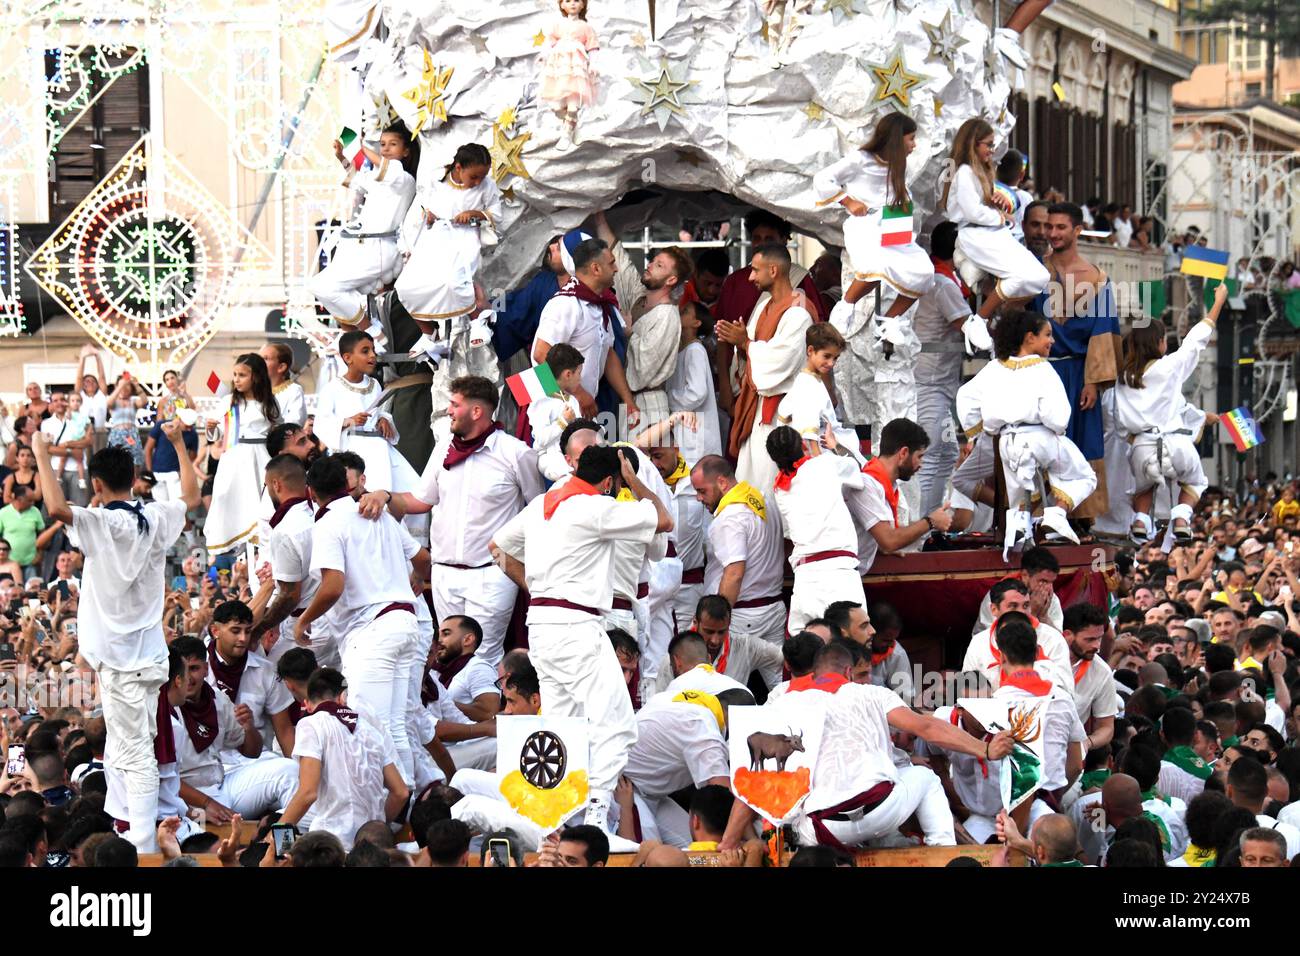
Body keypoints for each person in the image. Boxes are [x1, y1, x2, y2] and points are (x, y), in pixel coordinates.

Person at [489, 444, 672, 833]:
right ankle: (594, 819)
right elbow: (664, 520)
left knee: (563, 725)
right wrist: (635, 479)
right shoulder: (596, 506)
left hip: (541, 622)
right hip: (575, 626)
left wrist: (536, 588)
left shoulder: (542, 502)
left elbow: (498, 546)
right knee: (619, 726)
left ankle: (554, 823)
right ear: (608, 481)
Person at [33, 422, 197, 852]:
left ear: (99, 484)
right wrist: (179, 444)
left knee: (137, 755)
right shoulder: (155, 514)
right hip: (138, 658)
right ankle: (132, 833)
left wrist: (39, 449)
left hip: (126, 662)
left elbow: (54, 506)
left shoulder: (103, 522)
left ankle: (141, 847)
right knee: (124, 753)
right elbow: (192, 497)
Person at [719, 643, 1014, 851]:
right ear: (848, 672)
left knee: (788, 809)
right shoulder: (872, 694)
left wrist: (729, 841)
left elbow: (754, 785)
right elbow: (927, 728)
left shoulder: (785, 701)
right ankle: (942, 853)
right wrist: (984, 749)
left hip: (824, 828)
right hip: (882, 811)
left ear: (814, 674)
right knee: (925, 779)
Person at [365, 376, 543, 665]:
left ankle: (486, 710)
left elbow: (537, 508)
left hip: (492, 574)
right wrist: (384, 495)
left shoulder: (515, 453)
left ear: (476, 412)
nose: (448, 410)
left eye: (454, 404)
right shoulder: (443, 447)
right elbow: (421, 500)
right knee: (448, 656)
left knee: (482, 657)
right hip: (445, 573)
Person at [297, 454, 433, 786]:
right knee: (393, 726)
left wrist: (304, 620)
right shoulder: (380, 515)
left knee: (372, 729)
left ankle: (399, 810)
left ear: (311, 492)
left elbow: (333, 585)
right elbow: (424, 560)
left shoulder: (329, 523)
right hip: (404, 622)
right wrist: (415, 579)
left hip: (373, 632)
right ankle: (409, 807)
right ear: (347, 485)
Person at [953, 310, 1096, 548]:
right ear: (1030, 338)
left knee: (1018, 492)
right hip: (1039, 438)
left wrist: (976, 434)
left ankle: (1020, 525)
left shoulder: (993, 369)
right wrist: (1055, 431)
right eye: (1047, 335)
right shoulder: (1043, 369)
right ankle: (1056, 514)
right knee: (1085, 476)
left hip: (1004, 441)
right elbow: (1058, 418)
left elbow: (965, 398)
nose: (1052, 341)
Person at [1117, 283, 1227, 543]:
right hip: (1177, 445)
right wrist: (1218, 302)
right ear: (1160, 343)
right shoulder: (1170, 368)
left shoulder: (1121, 379)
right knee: (1195, 481)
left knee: (1144, 486)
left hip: (1142, 447)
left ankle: (1141, 522)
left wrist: (1204, 417)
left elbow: (1120, 421)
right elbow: (1195, 340)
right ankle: (1181, 518)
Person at [1035, 202, 1124, 521]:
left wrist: (1093, 382)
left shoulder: (1098, 278)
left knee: (1081, 443)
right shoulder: (1035, 271)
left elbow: (1103, 332)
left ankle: (1080, 517)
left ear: (1076, 230)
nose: (1053, 233)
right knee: (1040, 440)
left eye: (1060, 227)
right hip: (1040, 371)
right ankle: (1037, 515)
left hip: (1078, 374)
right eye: (1049, 227)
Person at [814, 113, 934, 325]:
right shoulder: (861, 159)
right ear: (897, 138)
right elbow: (824, 179)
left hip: (893, 223)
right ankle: (846, 306)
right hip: (866, 226)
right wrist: (847, 200)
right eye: (911, 138)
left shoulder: (897, 164)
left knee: (923, 271)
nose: (914, 145)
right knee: (875, 264)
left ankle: (889, 322)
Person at [167, 636, 299, 823]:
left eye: (194, 668)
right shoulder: (164, 707)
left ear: (206, 669)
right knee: (202, 830)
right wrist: (207, 803)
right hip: (184, 800)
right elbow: (162, 779)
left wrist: (249, 728)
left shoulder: (218, 700)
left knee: (290, 770)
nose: (188, 678)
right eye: (183, 671)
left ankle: (284, 846)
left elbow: (251, 752)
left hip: (222, 787)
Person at [277, 667, 409, 852]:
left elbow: (308, 793)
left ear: (307, 704)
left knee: (277, 835)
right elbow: (401, 792)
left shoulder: (310, 724)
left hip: (330, 847)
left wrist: (277, 841)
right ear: (342, 698)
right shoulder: (370, 730)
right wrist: (375, 827)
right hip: (371, 848)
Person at [717, 242, 815, 493]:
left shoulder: (799, 313)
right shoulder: (763, 307)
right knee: (752, 482)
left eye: (755, 270)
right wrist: (738, 342)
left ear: (773, 270)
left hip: (781, 414)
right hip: (757, 410)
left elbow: (778, 364)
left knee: (773, 487)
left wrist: (745, 343)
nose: (750, 277)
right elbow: (749, 355)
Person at [941, 118, 1049, 321]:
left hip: (995, 234)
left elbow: (982, 208)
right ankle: (980, 320)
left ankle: (999, 314)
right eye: (989, 144)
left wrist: (995, 203)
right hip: (977, 235)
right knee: (1018, 277)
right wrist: (999, 217)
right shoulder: (964, 172)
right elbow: (972, 212)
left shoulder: (981, 173)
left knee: (1040, 277)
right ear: (974, 143)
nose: (992, 150)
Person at [310, 124, 418, 327]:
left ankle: (369, 330)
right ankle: (362, 334)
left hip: (377, 248)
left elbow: (388, 169)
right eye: (382, 144)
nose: (385, 149)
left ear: (406, 152)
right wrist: (341, 156)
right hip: (360, 246)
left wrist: (362, 147)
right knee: (320, 287)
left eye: (392, 144)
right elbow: (356, 179)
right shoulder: (381, 180)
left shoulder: (405, 180)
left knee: (324, 287)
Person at [595, 211, 692, 434]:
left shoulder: (667, 316)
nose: (649, 265)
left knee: (646, 465)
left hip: (648, 404)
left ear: (671, 280)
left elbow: (646, 365)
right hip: (626, 402)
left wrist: (628, 333)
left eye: (659, 265)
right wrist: (599, 216)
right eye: (653, 261)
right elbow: (616, 257)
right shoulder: (639, 296)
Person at [913, 221, 984, 515]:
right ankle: (923, 527)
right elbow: (970, 328)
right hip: (930, 383)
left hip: (942, 383)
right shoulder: (941, 284)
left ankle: (932, 521)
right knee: (930, 455)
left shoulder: (943, 280)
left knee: (946, 453)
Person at [768, 425, 867, 633]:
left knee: (806, 656)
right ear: (803, 445)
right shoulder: (826, 464)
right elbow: (857, 469)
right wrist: (834, 445)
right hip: (839, 574)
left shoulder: (779, 490)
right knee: (853, 648)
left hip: (805, 578)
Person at [689, 455, 786, 663]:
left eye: (701, 491)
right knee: (781, 684)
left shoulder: (729, 517)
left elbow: (734, 573)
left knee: (723, 687)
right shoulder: (763, 501)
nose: (699, 498)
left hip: (741, 617)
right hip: (774, 610)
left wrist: (718, 623)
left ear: (722, 482)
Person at [396, 143, 501, 335]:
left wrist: (475, 213)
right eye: (474, 177)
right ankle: (429, 334)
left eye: (482, 177)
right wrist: (426, 216)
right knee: (405, 286)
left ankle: (478, 320)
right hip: (435, 237)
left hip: (465, 238)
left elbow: (497, 213)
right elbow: (421, 206)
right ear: (458, 168)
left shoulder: (487, 186)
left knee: (453, 282)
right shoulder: (436, 179)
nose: (478, 182)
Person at [532, 235, 638, 422]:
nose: (616, 269)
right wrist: (579, 393)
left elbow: (609, 353)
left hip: (580, 409)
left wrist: (628, 400)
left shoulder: (600, 305)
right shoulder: (564, 303)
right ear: (596, 268)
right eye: (612, 263)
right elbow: (540, 355)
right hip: (554, 410)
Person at [313, 330, 420, 497]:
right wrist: (348, 421)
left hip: (380, 451)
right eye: (365, 351)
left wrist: (383, 420)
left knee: (406, 488)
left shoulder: (375, 385)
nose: (372, 356)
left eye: (373, 350)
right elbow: (320, 424)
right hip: (352, 450)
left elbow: (379, 411)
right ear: (347, 358)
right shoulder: (333, 388)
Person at [253, 455, 334, 667]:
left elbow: (290, 596)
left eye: (266, 486)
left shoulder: (286, 529)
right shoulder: (322, 511)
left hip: (307, 628)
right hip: (337, 621)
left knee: (273, 682)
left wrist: (259, 629)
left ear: (276, 484)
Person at [847, 417, 951, 575]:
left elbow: (884, 541)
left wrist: (880, 547)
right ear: (903, 453)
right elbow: (889, 540)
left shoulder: (884, 485)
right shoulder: (865, 485)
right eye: (920, 456)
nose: (921, 465)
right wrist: (930, 521)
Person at [201, 353, 282, 554]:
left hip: (261, 457)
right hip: (234, 458)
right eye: (235, 375)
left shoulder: (269, 403)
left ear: (256, 377)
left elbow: (278, 428)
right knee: (225, 496)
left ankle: (259, 543)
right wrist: (210, 427)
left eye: (242, 375)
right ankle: (237, 545)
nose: (236, 379)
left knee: (259, 500)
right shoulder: (228, 401)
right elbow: (217, 432)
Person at [650, 596, 783, 694]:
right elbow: (661, 701)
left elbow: (785, 655)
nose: (715, 640)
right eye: (709, 632)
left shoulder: (746, 647)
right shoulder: (675, 657)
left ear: (729, 625)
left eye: (721, 632)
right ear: (695, 622)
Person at [775, 323, 863, 460]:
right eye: (826, 356)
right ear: (810, 351)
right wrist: (819, 464)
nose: (831, 363)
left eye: (835, 358)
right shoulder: (807, 384)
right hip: (821, 453)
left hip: (828, 446)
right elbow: (809, 434)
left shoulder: (813, 379)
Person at [963, 590, 1073, 694]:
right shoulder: (978, 642)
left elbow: (1065, 692)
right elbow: (965, 694)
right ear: (994, 609)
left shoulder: (1052, 639)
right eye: (1013, 606)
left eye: (1026, 606)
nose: (1021, 611)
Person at [665, 300, 722, 466]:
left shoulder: (695, 350)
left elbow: (696, 393)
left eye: (685, 311)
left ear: (696, 323)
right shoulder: (683, 350)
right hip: (688, 430)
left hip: (697, 432)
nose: (680, 312)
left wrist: (667, 398)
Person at [1061, 602, 1118, 753]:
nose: (1097, 646)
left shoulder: (1102, 672)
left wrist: (1086, 743)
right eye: (1090, 639)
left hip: (1066, 753)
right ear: (1067, 635)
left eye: (1099, 638)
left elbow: (1106, 727)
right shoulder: (1042, 659)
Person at [526, 343, 585, 482]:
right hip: (552, 463)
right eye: (579, 373)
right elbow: (540, 440)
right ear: (568, 374)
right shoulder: (541, 400)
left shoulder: (573, 401)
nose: (580, 378)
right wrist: (563, 422)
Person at [973, 546, 1064, 634]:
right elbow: (1002, 638)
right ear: (1025, 575)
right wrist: (1032, 612)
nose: (1048, 588)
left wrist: (1044, 617)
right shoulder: (999, 594)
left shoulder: (1051, 597)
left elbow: (1059, 641)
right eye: (1043, 581)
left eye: (1051, 582)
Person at [40, 391, 92, 508]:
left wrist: (68, 443)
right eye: (55, 400)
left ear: (67, 402)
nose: (59, 403)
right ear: (51, 404)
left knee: (80, 507)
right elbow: (48, 448)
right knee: (58, 507)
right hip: (56, 468)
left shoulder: (80, 419)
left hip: (79, 470)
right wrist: (71, 451)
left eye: (62, 399)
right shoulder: (46, 424)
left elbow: (88, 441)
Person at [144, 410, 198, 505]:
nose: (189, 429)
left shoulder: (193, 434)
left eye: (191, 426)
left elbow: (193, 456)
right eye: (187, 426)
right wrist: (150, 472)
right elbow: (148, 449)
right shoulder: (161, 426)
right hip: (157, 473)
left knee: (178, 506)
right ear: (179, 420)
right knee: (161, 507)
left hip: (175, 474)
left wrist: (183, 472)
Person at [0, 486, 45, 578]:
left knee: (31, 590)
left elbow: (43, 534)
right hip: (9, 564)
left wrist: (40, 554)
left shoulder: (35, 511)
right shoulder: (3, 512)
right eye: (30, 500)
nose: (33, 503)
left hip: (31, 562)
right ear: (20, 500)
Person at [260, 343, 307, 426]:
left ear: (281, 367)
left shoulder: (294, 390)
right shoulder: (253, 390)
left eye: (265, 359)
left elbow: (295, 422)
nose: (259, 363)